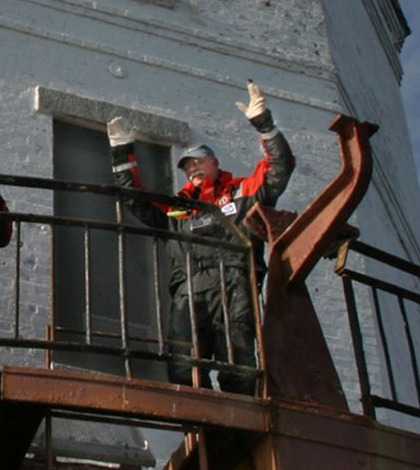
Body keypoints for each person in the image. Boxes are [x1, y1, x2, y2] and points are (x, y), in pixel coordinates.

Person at [107, 81, 294, 392]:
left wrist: (264, 124)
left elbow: (279, 169)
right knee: (182, 367)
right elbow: (133, 199)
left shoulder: (241, 191)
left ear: (215, 163)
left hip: (234, 282)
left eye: (198, 161)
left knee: (238, 363)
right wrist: (121, 151)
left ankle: (241, 426)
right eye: (187, 165)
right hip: (188, 289)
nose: (192, 167)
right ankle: (201, 429)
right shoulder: (178, 209)